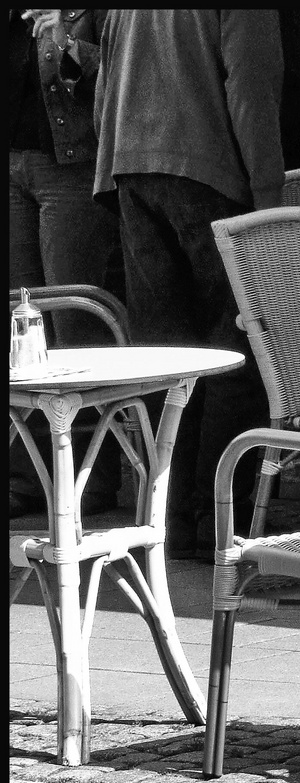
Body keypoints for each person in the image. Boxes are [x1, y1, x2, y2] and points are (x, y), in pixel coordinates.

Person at [93, 10, 283, 559]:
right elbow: (251, 90)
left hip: (133, 172)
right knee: (236, 350)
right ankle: (217, 522)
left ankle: (172, 522)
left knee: (170, 361)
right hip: (208, 174)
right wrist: (269, 204)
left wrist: (113, 176)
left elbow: (107, 89)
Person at [10, 7, 122, 516]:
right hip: (12, 168)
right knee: (20, 327)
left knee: (74, 323)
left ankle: (90, 477)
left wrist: (69, 44)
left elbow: (117, 77)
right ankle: (29, 476)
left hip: (69, 167)